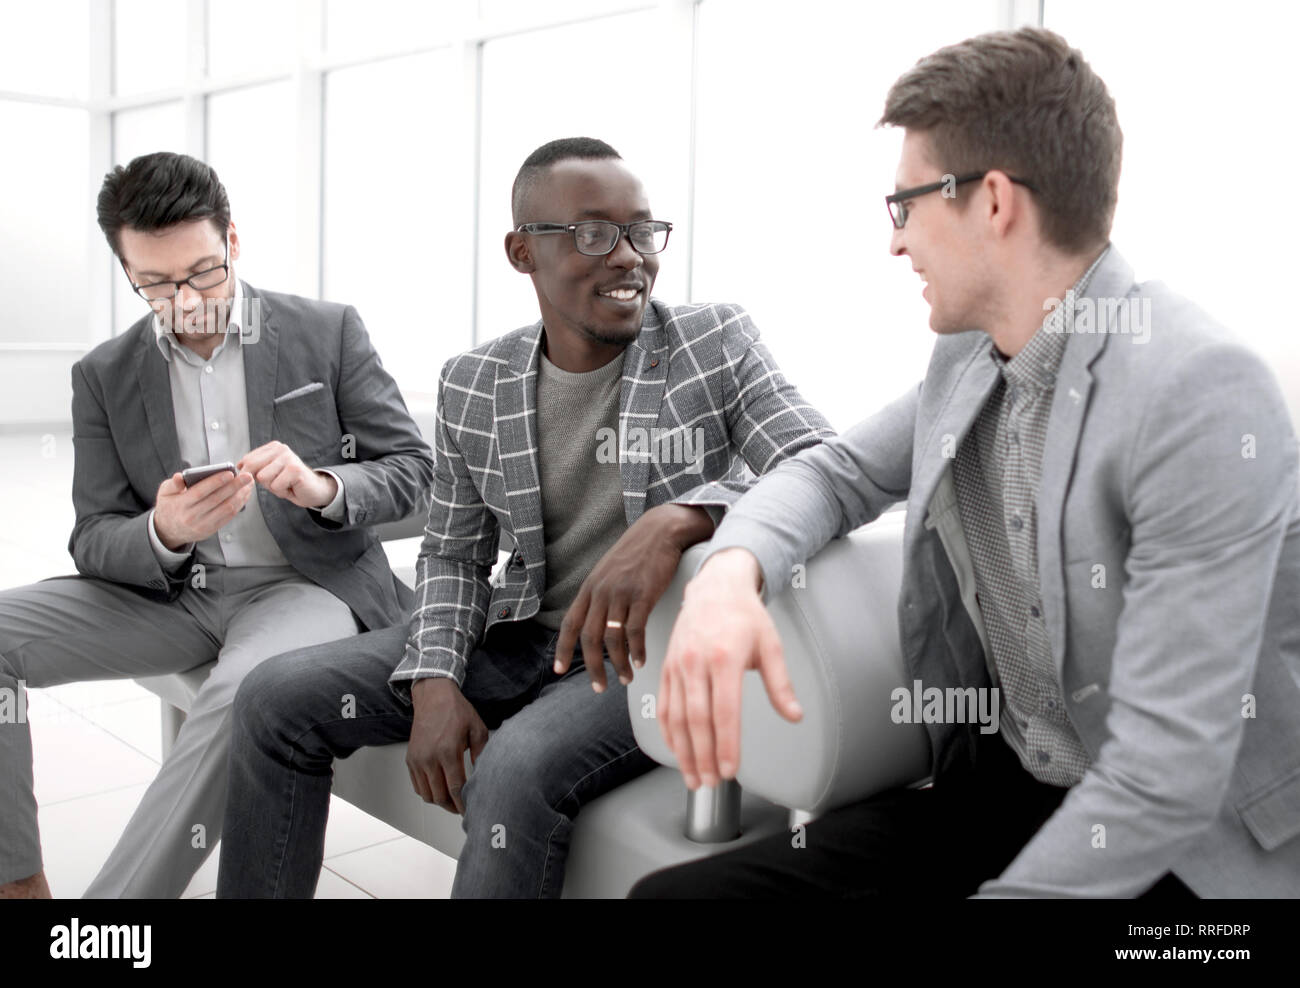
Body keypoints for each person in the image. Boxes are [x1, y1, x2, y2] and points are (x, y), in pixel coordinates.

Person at [631, 27, 1300, 898]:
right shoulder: (972, 359)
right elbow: (834, 474)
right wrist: (729, 575)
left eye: (903, 205)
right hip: (1010, 792)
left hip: (1186, 860)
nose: (895, 243)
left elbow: (1166, 774)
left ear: (992, 203)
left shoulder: (1197, 388)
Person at [216, 136, 834, 898]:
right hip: (518, 641)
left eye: (643, 231)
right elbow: (452, 556)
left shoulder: (714, 342)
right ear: (521, 253)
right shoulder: (475, 382)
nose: (629, 256)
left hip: (643, 654)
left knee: (511, 770)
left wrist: (686, 516)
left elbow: (819, 462)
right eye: (593, 233)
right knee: (273, 699)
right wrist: (435, 680)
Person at [0, 151, 434, 899]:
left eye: (203, 271)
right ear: (126, 272)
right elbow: (93, 533)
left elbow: (415, 473)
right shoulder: (103, 375)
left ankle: (103, 926)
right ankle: (18, 883)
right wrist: (161, 532)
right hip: (172, 594)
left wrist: (323, 485)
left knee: (244, 692)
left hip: (304, 586)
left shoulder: (324, 333)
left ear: (233, 240)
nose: (188, 299)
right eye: (157, 284)